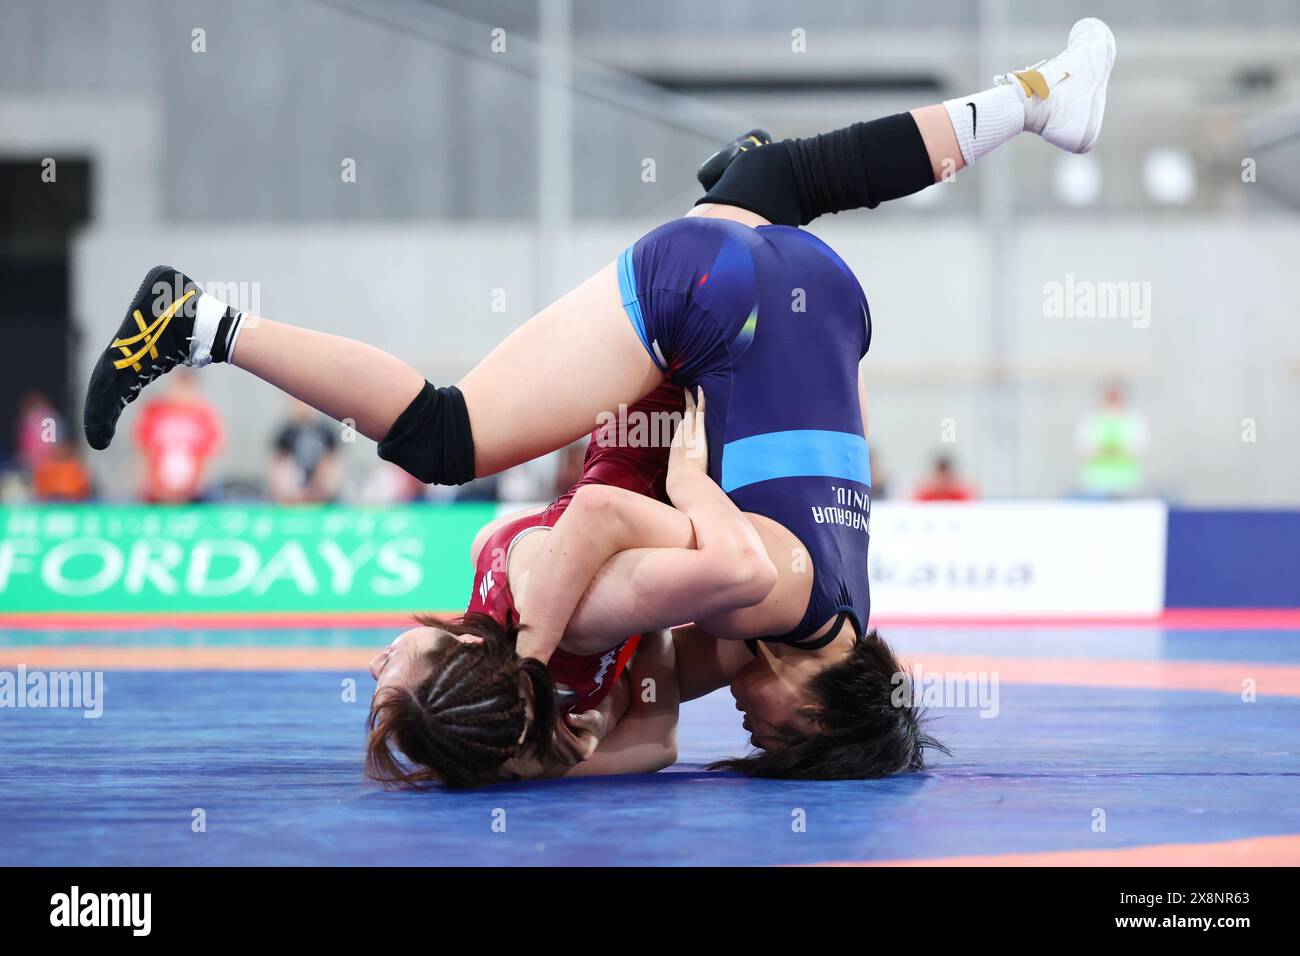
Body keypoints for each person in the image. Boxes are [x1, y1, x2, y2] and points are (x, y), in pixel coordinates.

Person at [84, 20, 1115, 780]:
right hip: (714, 302)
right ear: (816, 707)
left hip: (822, 298)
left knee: (785, 176)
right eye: (777, 739)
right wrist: (528, 673)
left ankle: (1031, 96)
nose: (754, 732)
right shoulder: (771, 601)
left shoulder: (839, 606)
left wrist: (611, 691)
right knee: (447, 433)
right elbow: (676, 578)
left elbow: (664, 684)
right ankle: (200, 323)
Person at [132, 368, 223, 503]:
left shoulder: (205, 416)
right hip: (156, 492)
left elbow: (209, 455)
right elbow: (142, 450)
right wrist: (149, 484)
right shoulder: (154, 411)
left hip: (193, 494)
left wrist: (197, 486)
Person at [1076, 381, 1147, 498]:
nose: (1112, 401)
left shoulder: (1133, 420)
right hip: (1096, 481)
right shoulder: (1092, 421)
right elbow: (1085, 448)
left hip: (1126, 481)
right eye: (1110, 397)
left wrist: (1107, 450)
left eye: (1115, 397)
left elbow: (1137, 448)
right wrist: (1113, 450)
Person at [269, 398, 342, 504]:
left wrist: (319, 489)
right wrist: (288, 491)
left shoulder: (325, 431)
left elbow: (333, 462)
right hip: (293, 490)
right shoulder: (286, 432)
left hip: (320, 490)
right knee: (282, 468)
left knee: (328, 466)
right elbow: (278, 464)